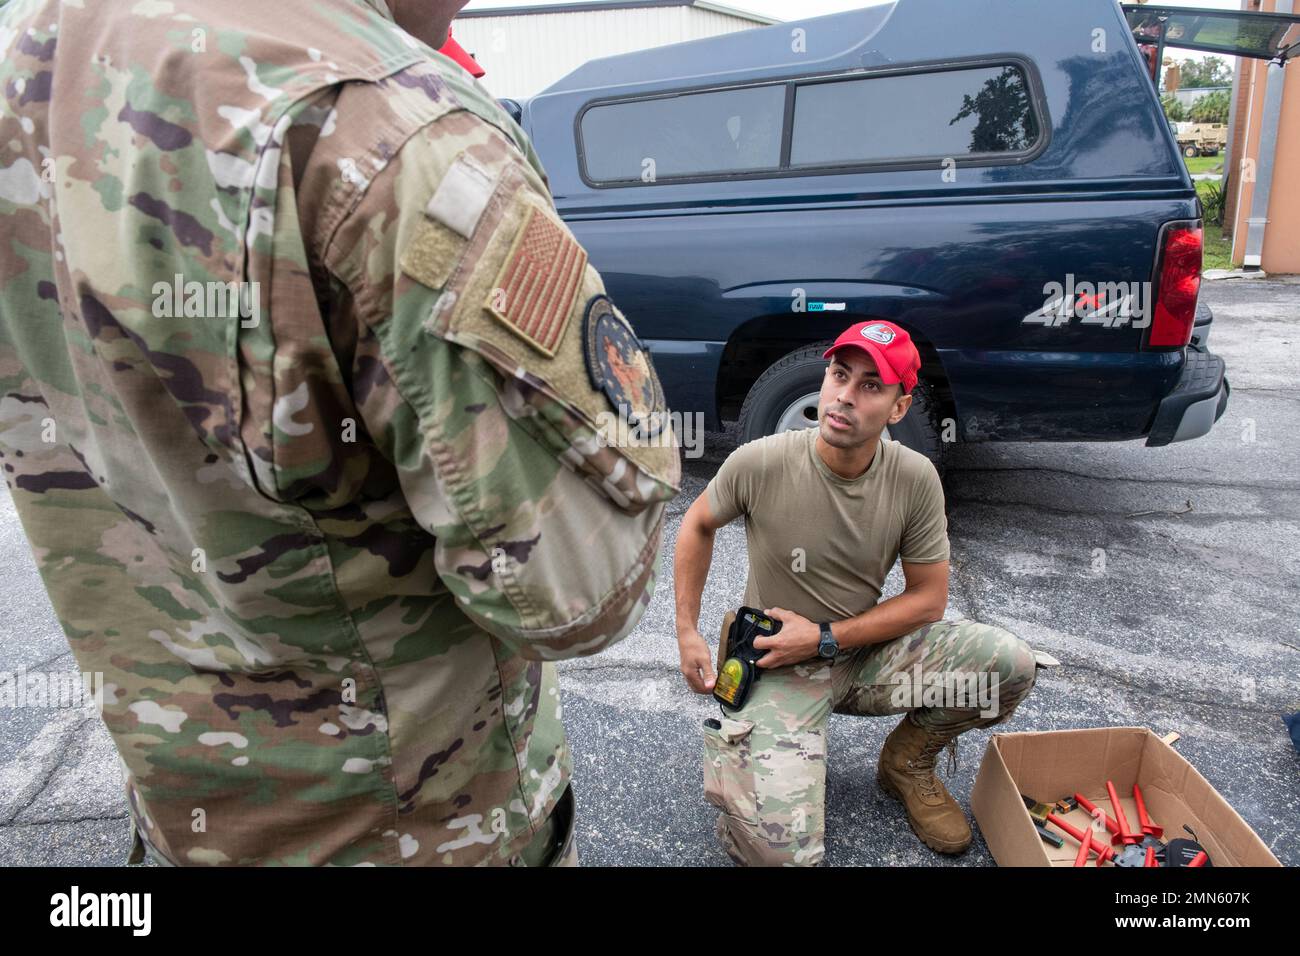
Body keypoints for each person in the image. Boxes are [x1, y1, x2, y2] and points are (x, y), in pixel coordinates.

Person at [0, 0, 679, 865]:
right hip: (411, 827)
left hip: (182, 816)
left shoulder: (29, 51)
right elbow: (582, 594)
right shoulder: (380, 122)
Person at [674, 320, 1037, 865]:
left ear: (898, 407)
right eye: (840, 374)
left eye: (871, 385)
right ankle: (761, 773)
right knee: (780, 855)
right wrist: (686, 631)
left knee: (1008, 665)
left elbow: (928, 598)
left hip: (859, 653)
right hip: (775, 661)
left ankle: (906, 764)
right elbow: (696, 524)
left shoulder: (914, 479)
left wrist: (824, 637)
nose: (845, 395)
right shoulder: (762, 460)